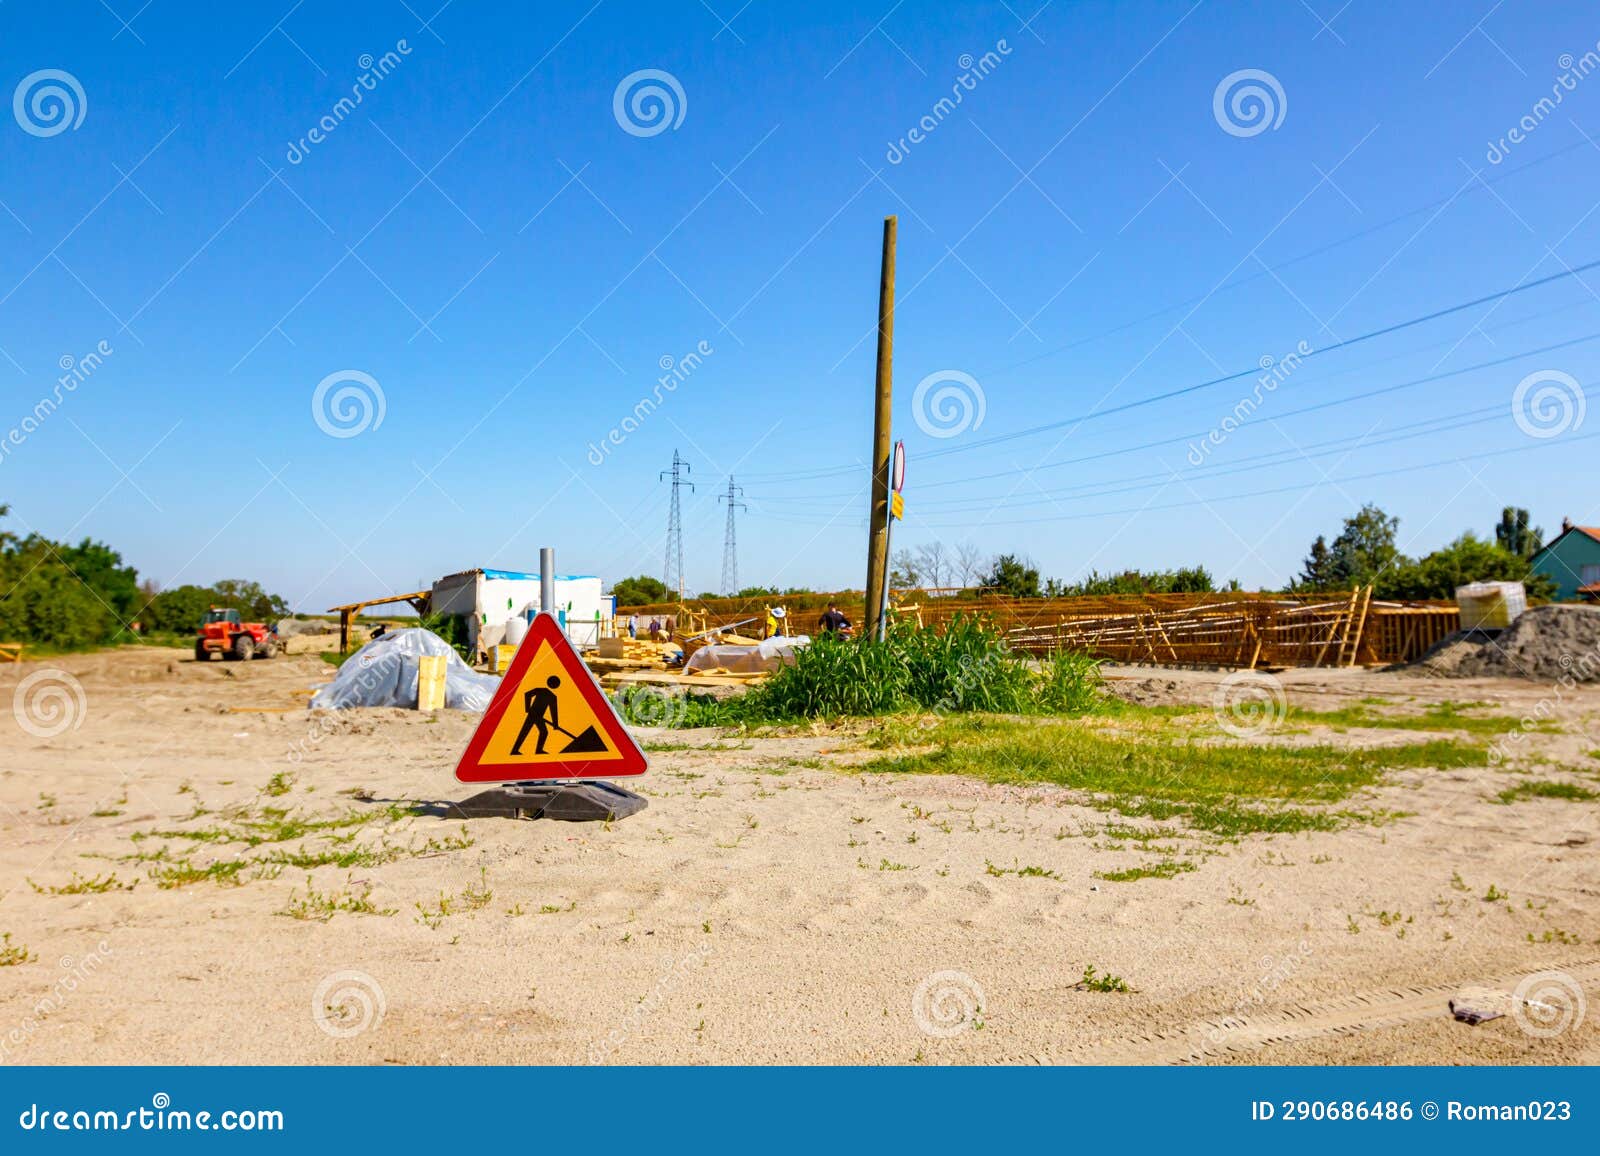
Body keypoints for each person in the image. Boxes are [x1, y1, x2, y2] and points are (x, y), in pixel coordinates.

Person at [510, 675, 562, 756]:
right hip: (532, 715)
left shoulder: (550, 695)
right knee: (525, 732)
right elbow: (527, 694)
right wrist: (528, 709)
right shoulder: (547, 694)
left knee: (542, 732)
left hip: (538, 716)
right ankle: (515, 750)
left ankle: (538, 750)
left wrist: (555, 725)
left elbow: (553, 712)